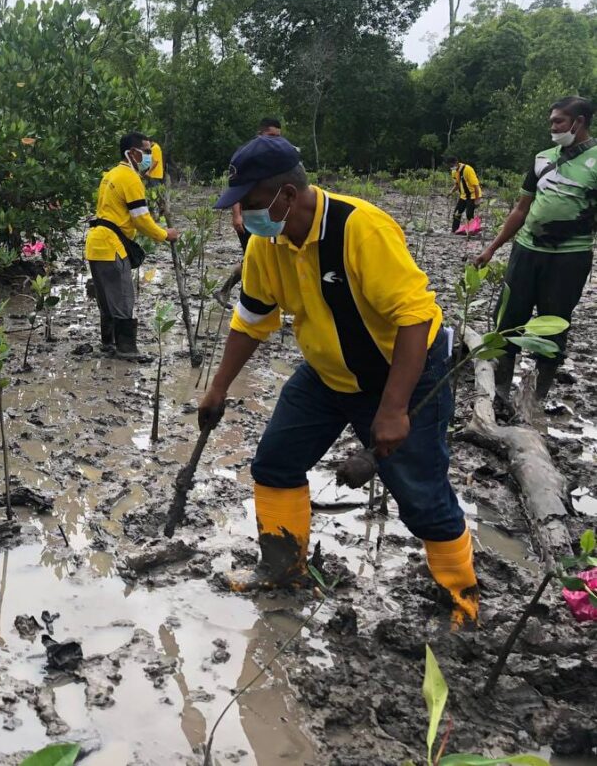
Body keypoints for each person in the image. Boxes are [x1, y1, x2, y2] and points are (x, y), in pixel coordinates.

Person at [197, 135, 478, 628]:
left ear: (286, 195)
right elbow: (252, 318)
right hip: (327, 375)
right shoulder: (268, 243)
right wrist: (218, 387)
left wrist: (393, 410)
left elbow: (414, 317)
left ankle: (461, 597)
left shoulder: (360, 229)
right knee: (275, 462)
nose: (244, 213)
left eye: (251, 201)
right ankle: (283, 569)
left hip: (402, 373)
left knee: (421, 494)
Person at [474, 95, 597, 402]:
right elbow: (521, 209)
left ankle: (537, 397)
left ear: (579, 122)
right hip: (526, 251)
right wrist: (492, 248)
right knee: (508, 317)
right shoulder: (543, 158)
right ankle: (501, 389)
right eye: (551, 121)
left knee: (554, 321)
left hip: (570, 256)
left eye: (559, 121)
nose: (553, 127)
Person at [85, 132, 179, 360]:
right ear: (132, 153)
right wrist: (165, 234)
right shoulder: (130, 178)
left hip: (95, 244)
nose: (149, 156)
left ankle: (108, 344)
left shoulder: (110, 175)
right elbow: (141, 218)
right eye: (146, 151)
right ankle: (126, 349)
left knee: (107, 299)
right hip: (111, 246)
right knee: (123, 298)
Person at [221, 118, 283, 308]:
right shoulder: (247, 156)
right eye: (271, 136)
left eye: (278, 137)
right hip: (251, 216)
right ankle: (241, 299)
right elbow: (238, 188)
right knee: (252, 258)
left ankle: (230, 293)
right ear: (260, 135)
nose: (275, 140)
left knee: (255, 257)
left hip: (268, 217)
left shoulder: (275, 157)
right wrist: (236, 214)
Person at [446, 154, 482, 234]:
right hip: (463, 196)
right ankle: (454, 230)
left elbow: (476, 185)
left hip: (472, 195)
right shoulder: (454, 172)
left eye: (452, 165)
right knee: (456, 213)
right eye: (449, 166)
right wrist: (451, 192)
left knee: (469, 214)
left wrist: (477, 200)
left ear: (456, 162)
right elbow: (457, 184)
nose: (451, 167)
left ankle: (471, 231)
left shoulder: (467, 169)